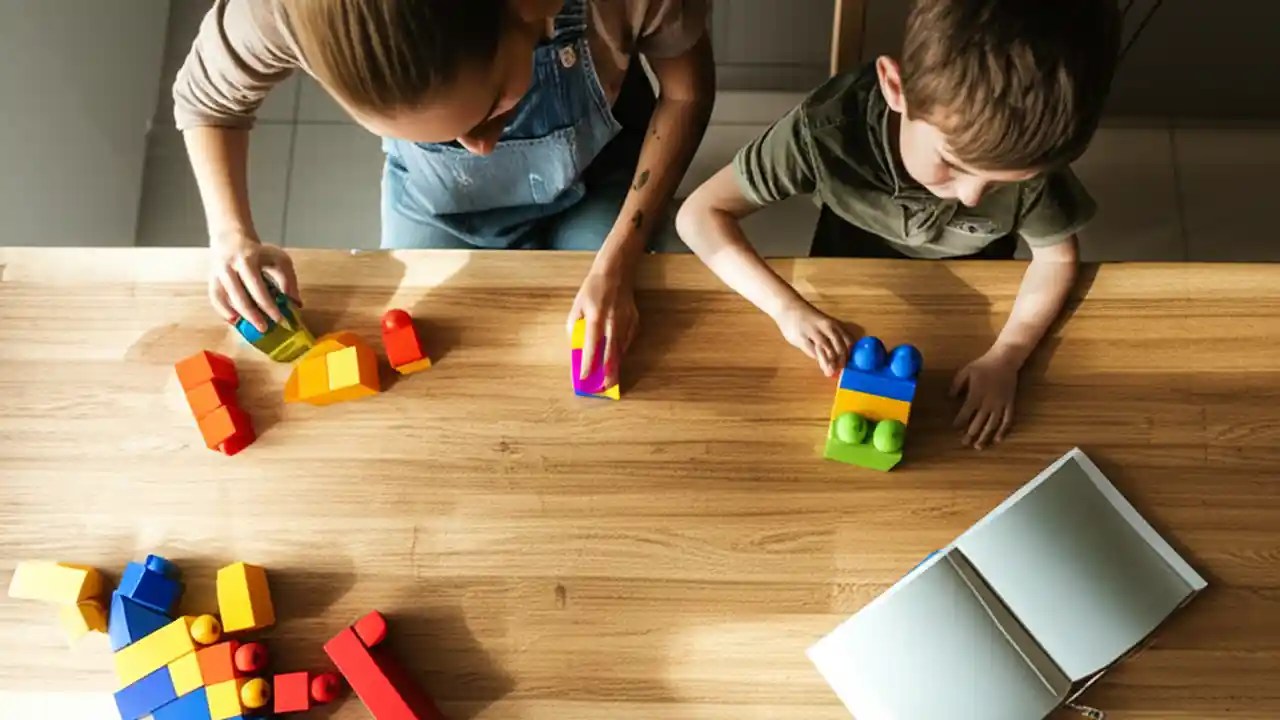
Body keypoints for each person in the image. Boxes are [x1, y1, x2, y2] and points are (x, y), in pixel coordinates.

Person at [174, 0, 714, 388]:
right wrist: (230, 235)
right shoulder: (278, 11)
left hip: (604, 171)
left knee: (643, 345)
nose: (481, 149)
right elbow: (206, 102)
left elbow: (687, 91)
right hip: (437, 200)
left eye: (490, 109)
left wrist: (618, 256)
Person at [676, 0, 1121, 450]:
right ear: (896, 87)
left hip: (971, 292)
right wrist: (786, 308)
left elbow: (1056, 258)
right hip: (848, 276)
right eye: (951, 162)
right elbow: (699, 216)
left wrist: (1006, 357)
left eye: (1005, 183)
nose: (971, 197)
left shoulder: (1027, 149)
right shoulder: (823, 132)